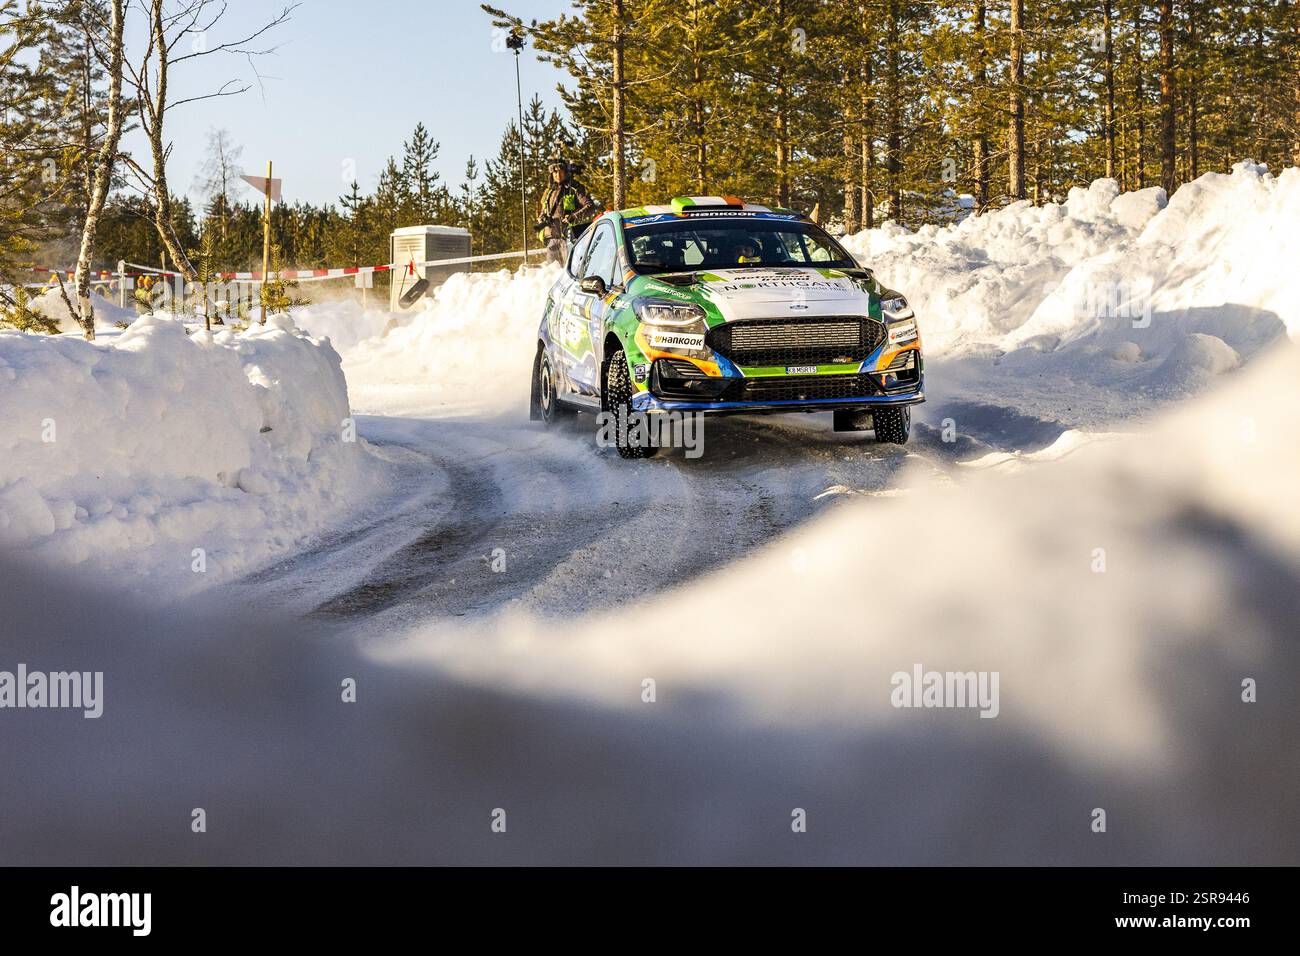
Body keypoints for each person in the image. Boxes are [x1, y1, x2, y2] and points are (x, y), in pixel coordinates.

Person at [536, 159, 601, 264]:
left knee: (569, 271)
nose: (557, 175)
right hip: (551, 238)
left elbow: (590, 206)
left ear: (566, 171)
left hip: (570, 238)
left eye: (560, 171)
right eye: (554, 172)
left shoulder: (575, 188)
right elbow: (543, 212)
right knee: (553, 272)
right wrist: (542, 219)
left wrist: (574, 216)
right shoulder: (549, 192)